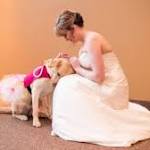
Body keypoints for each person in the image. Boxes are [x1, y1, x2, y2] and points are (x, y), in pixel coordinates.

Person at [51, 10, 150, 147]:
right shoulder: (87, 41)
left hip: (112, 87)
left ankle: (74, 125)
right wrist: (72, 61)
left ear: (73, 28)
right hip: (105, 83)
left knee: (67, 84)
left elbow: (98, 77)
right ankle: (74, 124)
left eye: (65, 35)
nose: (66, 39)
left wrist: (77, 67)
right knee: (66, 83)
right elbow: (91, 68)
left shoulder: (92, 40)